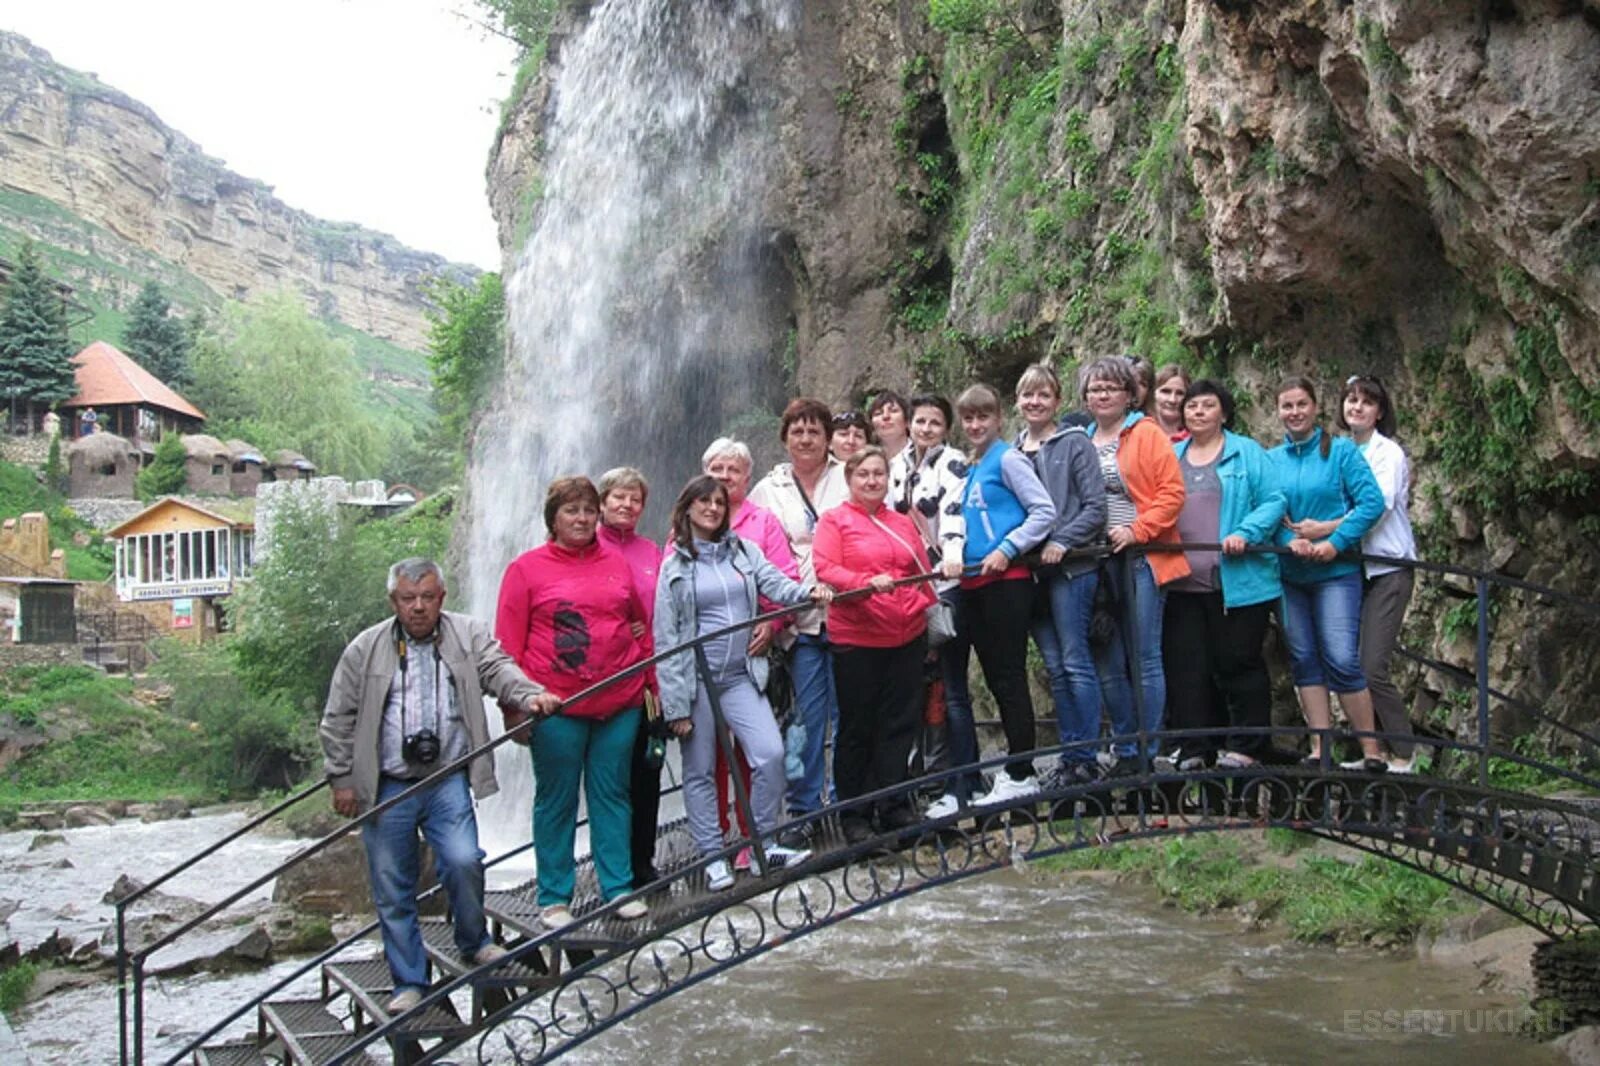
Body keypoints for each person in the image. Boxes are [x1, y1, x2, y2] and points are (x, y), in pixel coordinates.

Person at [320, 557, 559, 1014]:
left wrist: (528, 694)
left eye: (427, 597)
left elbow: (498, 669)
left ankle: (474, 941)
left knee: (464, 860)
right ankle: (408, 982)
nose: (418, 608)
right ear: (393, 601)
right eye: (408, 599)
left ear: (441, 598)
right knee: (392, 884)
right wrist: (342, 778)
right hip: (387, 784)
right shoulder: (364, 649)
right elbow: (338, 718)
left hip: (447, 775)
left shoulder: (467, 634)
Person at [655, 476, 830, 889]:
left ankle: (761, 841)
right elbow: (666, 637)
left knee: (769, 755)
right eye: (704, 502)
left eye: (718, 502)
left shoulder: (743, 552)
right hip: (696, 682)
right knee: (699, 771)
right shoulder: (675, 565)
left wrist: (809, 594)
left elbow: (775, 584)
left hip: (739, 677)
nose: (713, 509)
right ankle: (714, 857)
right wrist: (676, 706)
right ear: (687, 508)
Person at [495, 477, 653, 929]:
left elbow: (638, 625)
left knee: (613, 795)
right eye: (571, 511)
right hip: (554, 707)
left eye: (588, 510)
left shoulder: (616, 563)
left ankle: (618, 887)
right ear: (553, 518)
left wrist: (641, 672)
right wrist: (514, 708)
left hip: (619, 701)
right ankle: (554, 897)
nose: (582, 518)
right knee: (556, 799)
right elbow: (507, 647)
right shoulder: (526, 570)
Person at [814, 447, 938, 839]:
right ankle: (855, 813)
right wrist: (864, 584)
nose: (871, 481)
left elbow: (921, 569)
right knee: (857, 726)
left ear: (888, 480)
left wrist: (924, 609)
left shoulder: (901, 522)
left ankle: (895, 804)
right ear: (849, 480)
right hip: (858, 636)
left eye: (878, 474)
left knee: (899, 724)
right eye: (863, 474)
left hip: (907, 635)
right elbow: (825, 568)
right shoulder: (835, 521)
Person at [1163, 381, 1286, 768]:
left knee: (1238, 661)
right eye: (1192, 405)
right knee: (1188, 667)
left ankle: (1249, 745)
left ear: (1224, 413)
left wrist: (1245, 533)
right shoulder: (1172, 455)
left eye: (1207, 405)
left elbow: (1273, 501)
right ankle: (1199, 747)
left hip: (1238, 581)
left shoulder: (1246, 452)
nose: (1197, 411)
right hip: (1181, 583)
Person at [1271, 377, 1387, 769]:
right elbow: (1269, 509)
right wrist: (1289, 539)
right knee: (1303, 657)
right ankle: (1321, 749)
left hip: (1336, 572)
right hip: (1290, 574)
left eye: (1301, 404)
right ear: (1279, 411)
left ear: (1316, 406)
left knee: (1340, 656)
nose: (1295, 412)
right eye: (1287, 406)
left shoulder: (1340, 453)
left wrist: (1335, 541)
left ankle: (1371, 750)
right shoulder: (1272, 460)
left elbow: (1371, 503)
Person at [748, 399, 849, 842]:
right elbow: (750, 546)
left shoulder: (848, 476)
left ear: (828, 437)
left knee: (853, 715)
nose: (805, 439)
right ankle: (804, 808)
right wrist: (770, 616)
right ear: (785, 438)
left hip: (851, 612)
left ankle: (848, 800)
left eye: (814, 431)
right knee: (806, 719)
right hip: (800, 621)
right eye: (797, 432)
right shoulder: (769, 489)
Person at [952, 383, 1056, 808]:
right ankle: (1017, 765)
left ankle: (1021, 770)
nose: (976, 425)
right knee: (996, 678)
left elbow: (1044, 511)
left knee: (1010, 677)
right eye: (969, 418)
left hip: (1007, 582)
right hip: (974, 584)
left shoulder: (1008, 459)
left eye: (984, 417)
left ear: (998, 419)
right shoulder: (973, 465)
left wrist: (1007, 549)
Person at [1082, 356, 1188, 766]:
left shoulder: (1145, 434)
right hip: (1098, 562)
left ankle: (1147, 747)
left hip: (1142, 557)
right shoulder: (1082, 439)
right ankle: (1126, 746)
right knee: (1107, 658)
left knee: (1144, 655)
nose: (1103, 394)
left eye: (1111, 387)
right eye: (1095, 388)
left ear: (1129, 394)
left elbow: (1171, 493)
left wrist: (1137, 531)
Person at [702, 437, 801, 867]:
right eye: (717, 469)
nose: (725, 478)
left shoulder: (762, 522)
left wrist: (771, 621)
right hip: (704, 660)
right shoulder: (687, 525)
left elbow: (784, 577)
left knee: (756, 750)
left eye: (733, 470)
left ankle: (755, 838)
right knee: (709, 757)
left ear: (747, 477)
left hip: (753, 659)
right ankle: (716, 845)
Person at [1012, 363, 1108, 787]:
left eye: (1043, 395)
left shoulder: (1075, 444)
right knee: (1054, 665)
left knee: (1075, 661)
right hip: (1030, 572)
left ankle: (1085, 756)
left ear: (1057, 401)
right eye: (1028, 395)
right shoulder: (1014, 450)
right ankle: (1069, 757)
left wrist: (1062, 541)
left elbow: (1095, 508)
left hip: (1072, 567)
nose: (1035, 402)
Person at [889, 394, 968, 809]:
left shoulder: (952, 462)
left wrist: (952, 559)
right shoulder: (898, 464)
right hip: (905, 583)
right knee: (910, 680)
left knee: (943, 680)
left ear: (945, 428)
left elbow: (954, 511)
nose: (925, 428)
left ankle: (947, 778)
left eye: (934, 422)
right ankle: (913, 775)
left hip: (940, 580)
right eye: (920, 421)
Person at [1339, 374, 1420, 772]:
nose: (1356, 407)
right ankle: (1375, 753)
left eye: (1366, 402)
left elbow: (1380, 504)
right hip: (1355, 571)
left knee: (1372, 665)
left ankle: (1403, 752)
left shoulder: (1388, 453)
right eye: (1351, 400)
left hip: (1389, 565)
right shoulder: (1341, 451)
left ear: (1379, 411)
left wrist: (1330, 531)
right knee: (1351, 664)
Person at [595, 467, 666, 889]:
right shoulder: (590, 549)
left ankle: (643, 861)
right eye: (618, 497)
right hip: (605, 678)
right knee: (611, 776)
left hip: (649, 679)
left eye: (634, 499)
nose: (626, 505)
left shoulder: (650, 551)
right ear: (602, 503)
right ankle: (615, 866)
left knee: (647, 770)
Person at [868, 390, 912, 463]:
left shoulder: (923, 455)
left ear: (907, 421)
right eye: (878, 413)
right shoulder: (867, 460)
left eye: (893, 411)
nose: (886, 416)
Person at [1152, 364, 1191, 442]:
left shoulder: (1197, 436)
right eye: (1166, 391)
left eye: (1180, 393)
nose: (1172, 400)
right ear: (1153, 394)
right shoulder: (1139, 432)